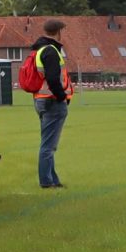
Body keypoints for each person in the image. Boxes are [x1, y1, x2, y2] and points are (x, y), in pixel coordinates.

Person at [30, 18, 74, 189]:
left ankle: (53, 179)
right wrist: (62, 96)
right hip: (52, 102)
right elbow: (53, 78)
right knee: (48, 146)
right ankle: (46, 181)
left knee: (48, 143)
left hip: (41, 100)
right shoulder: (51, 51)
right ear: (58, 32)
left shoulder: (40, 49)